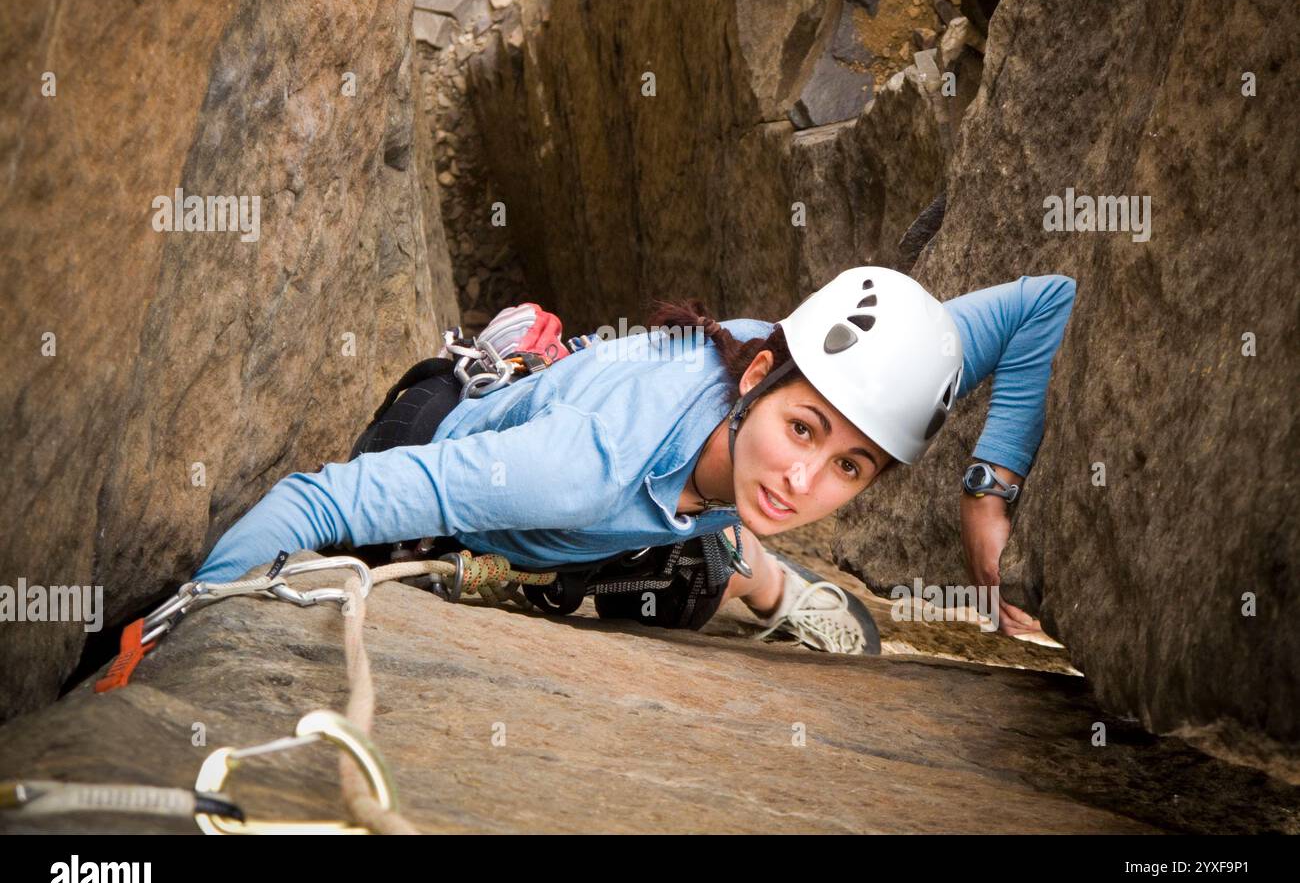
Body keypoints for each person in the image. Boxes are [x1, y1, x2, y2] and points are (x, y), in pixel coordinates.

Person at [194, 266, 1076, 654]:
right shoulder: (579, 468)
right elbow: (318, 499)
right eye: (804, 430)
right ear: (759, 375)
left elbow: (1046, 303)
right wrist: (192, 614)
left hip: (651, 455)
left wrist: (986, 496)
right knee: (684, 578)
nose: (806, 482)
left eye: (851, 467)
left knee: (704, 546)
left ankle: (765, 578)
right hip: (448, 440)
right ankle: (519, 358)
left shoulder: (854, 363)